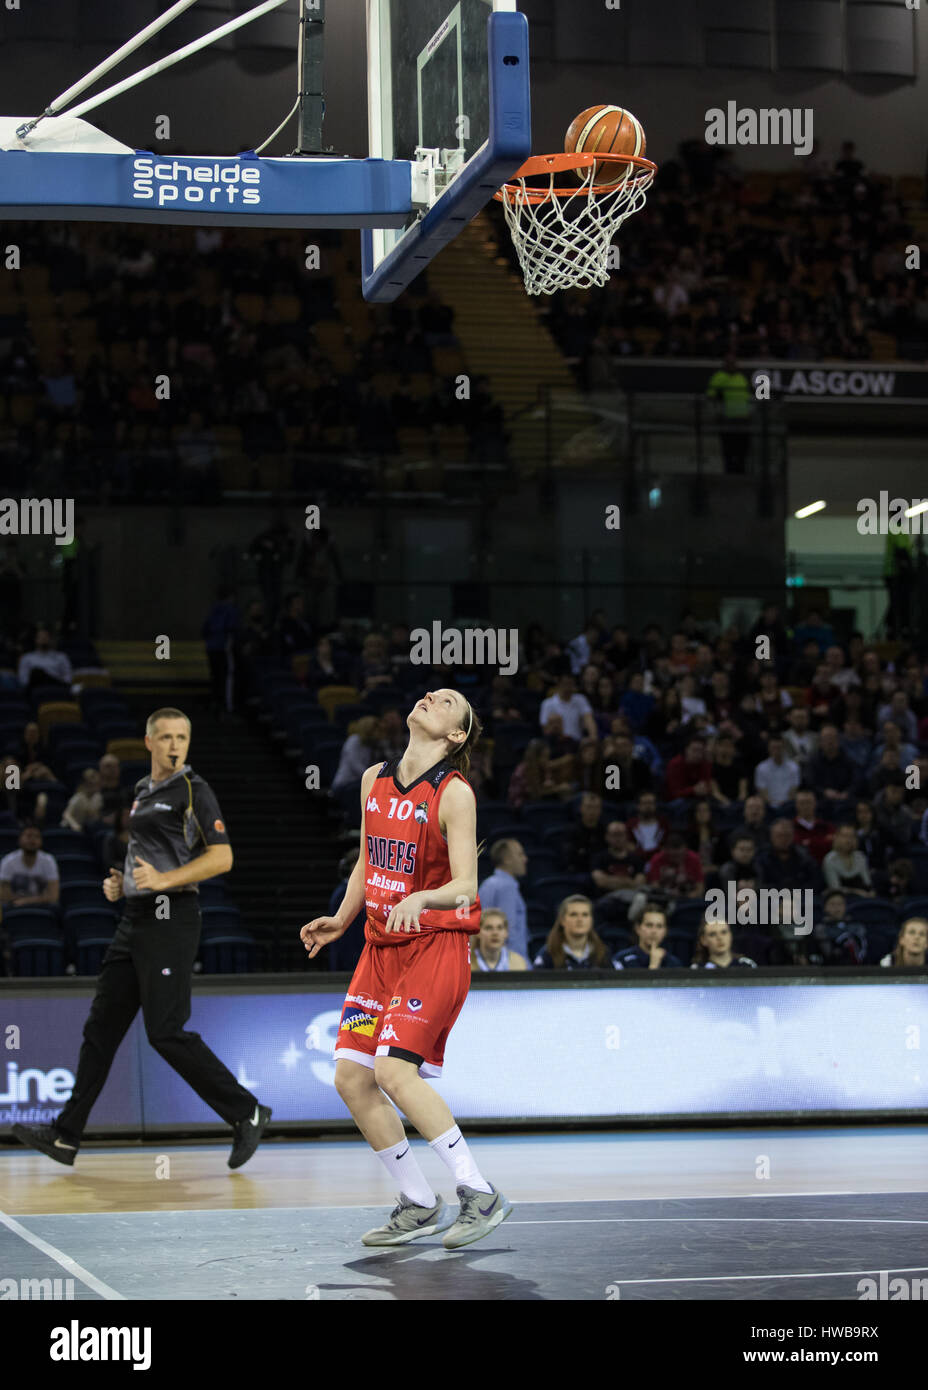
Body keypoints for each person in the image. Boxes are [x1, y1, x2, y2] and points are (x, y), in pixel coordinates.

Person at [11, 709, 271, 1169]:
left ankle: (245, 1111)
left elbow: (223, 858)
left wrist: (165, 879)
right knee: (100, 1029)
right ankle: (66, 1135)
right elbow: (144, 860)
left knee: (165, 1031)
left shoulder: (196, 789)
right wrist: (123, 885)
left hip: (172, 920)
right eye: (166, 737)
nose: (175, 745)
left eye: (183, 737)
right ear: (148, 742)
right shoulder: (142, 792)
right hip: (134, 918)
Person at [300, 689, 513, 1249]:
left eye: (446, 702)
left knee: (395, 1072)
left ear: (457, 735)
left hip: (435, 947)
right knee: (350, 1077)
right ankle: (418, 1202)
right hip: (379, 950)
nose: (429, 698)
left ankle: (479, 1192)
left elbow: (467, 883)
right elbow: (369, 862)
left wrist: (424, 899)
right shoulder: (374, 778)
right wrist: (342, 920)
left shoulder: (454, 792)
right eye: (429, 694)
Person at [477, 838, 529, 961]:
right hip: (508, 964)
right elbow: (508, 932)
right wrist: (520, 963)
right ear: (507, 859)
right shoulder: (506, 886)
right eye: (520, 854)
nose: (525, 859)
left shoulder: (488, 883)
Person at [533, 894, 611, 969]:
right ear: (562, 920)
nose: (580, 919)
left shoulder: (602, 954)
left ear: (591, 920)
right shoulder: (548, 955)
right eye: (573, 914)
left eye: (585, 915)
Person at [706, 352, 752, 473]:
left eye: (734, 363)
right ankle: (729, 471)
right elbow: (711, 397)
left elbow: (747, 397)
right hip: (727, 420)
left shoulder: (741, 377)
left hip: (743, 420)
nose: (733, 365)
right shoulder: (719, 377)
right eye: (730, 363)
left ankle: (741, 471)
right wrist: (717, 414)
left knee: (743, 449)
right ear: (725, 364)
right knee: (729, 449)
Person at [0, 825, 60, 908]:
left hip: (41, 905)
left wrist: (27, 901)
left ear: (41, 841)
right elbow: (3, 894)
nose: (32, 840)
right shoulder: (8, 861)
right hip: (15, 904)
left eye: (36, 837)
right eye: (28, 836)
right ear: (20, 839)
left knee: (55, 906)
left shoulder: (49, 861)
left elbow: (53, 896)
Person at [612, 903, 683, 969]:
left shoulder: (674, 963)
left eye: (659, 926)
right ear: (638, 928)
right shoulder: (622, 959)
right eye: (649, 925)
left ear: (665, 931)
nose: (654, 931)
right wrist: (653, 966)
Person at [822, 822, 874, 896]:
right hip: (840, 901)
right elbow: (835, 889)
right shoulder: (830, 859)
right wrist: (857, 892)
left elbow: (868, 884)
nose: (849, 840)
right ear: (836, 837)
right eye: (845, 836)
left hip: (862, 899)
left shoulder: (860, 857)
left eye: (852, 836)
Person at [470, 908, 528, 972]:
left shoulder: (518, 963)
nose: (495, 933)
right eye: (488, 928)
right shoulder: (464, 963)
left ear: (506, 933)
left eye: (500, 928)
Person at [16, 626, 73, 691]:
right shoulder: (27, 658)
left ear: (51, 639)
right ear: (35, 639)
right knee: (36, 673)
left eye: (46, 636)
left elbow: (68, 678)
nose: (44, 638)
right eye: (40, 637)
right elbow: (23, 681)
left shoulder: (61, 657)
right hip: (35, 689)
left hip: (56, 688)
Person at [690, 919, 757, 969]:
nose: (719, 938)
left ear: (730, 935)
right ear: (703, 940)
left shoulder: (747, 965)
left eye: (724, 932)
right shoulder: (697, 969)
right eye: (712, 934)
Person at [61, 767, 103, 832]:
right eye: (91, 784)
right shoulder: (78, 797)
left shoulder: (98, 797)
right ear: (86, 784)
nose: (97, 786)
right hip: (69, 827)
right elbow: (66, 814)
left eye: (98, 784)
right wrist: (74, 825)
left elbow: (95, 816)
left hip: (84, 828)